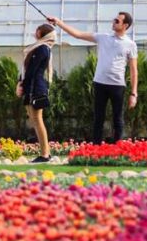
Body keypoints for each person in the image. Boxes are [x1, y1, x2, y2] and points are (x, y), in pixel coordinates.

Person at [50, 12, 138, 144]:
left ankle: (118, 148)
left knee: (118, 119)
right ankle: (95, 148)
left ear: (125, 25)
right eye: (114, 19)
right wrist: (58, 22)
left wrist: (133, 93)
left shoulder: (130, 44)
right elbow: (78, 35)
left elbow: (133, 70)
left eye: (117, 21)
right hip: (100, 83)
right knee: (98, 118)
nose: (113, 22)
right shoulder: (103, 37)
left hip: (118, 86)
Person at [16, 23, 56, 163]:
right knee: (35, 120)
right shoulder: (38, 48)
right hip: (31, 87)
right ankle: (45, 152)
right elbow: (27, 70)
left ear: (42, 33)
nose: (35, 32)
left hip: (35, 88)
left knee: (38, 120)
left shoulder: (42, 49)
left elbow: (32, 71)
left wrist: (22, 86)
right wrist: (20, 84)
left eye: (38, 30)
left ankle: (45, 154)